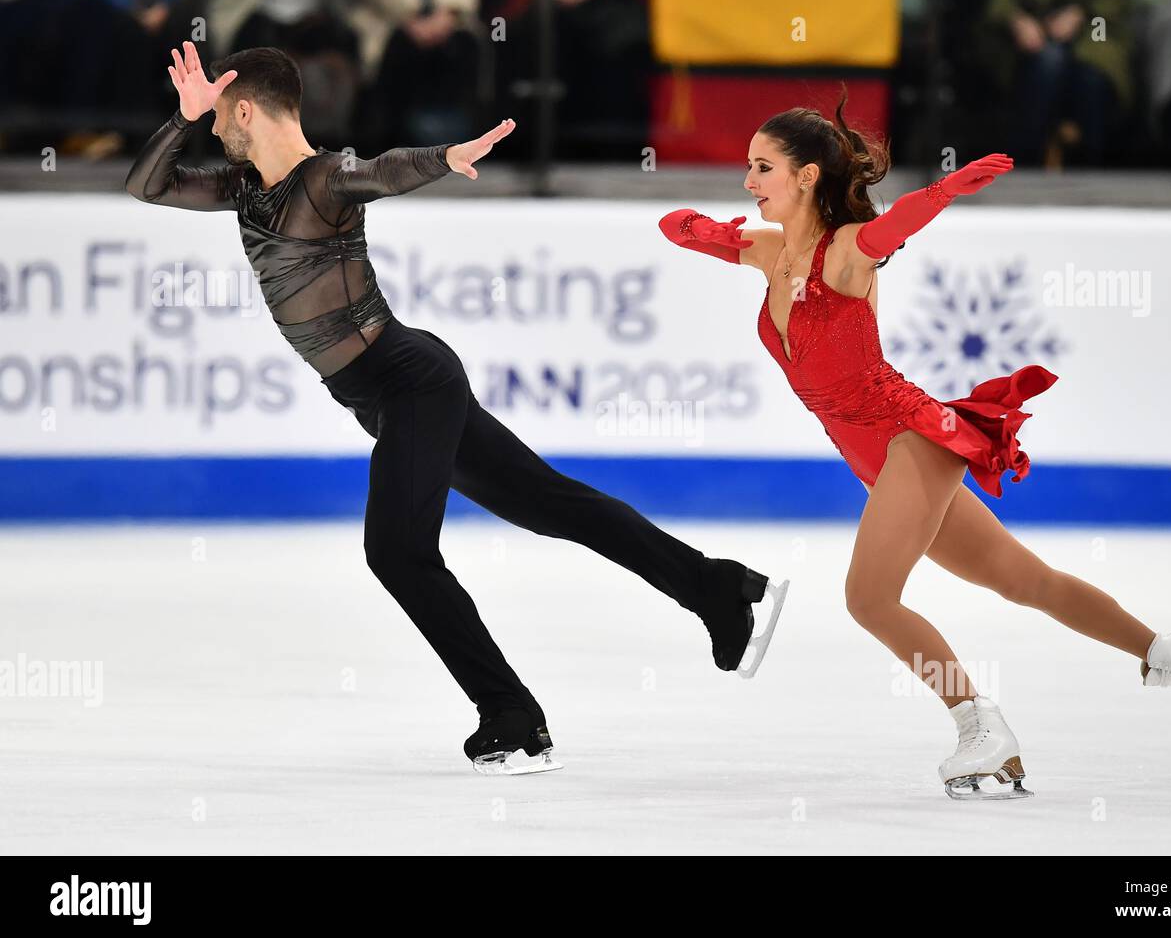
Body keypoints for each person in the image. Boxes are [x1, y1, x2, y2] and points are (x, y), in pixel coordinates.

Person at [125, 41, 788, 775]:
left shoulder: (323, 178)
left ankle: (511, 716)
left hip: (411, 381)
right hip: (387, 392)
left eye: (219, 118)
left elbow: (381, 170)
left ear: (246, 108)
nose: (217, 132)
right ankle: (715, 587)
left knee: (397, 552)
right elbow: (148, 186)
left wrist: (446, 156)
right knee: (551, 504)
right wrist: (183, 120)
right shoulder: (245, 188)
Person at [658, 90, 1171, 799]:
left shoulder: (844, 254)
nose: (749, 183)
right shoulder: (768, 254)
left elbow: (890, 231)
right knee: (1023, 580)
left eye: (762, 168)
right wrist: (715, 232)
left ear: (807, 176)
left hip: (910, 436)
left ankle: (977, 723)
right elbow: (674, 225)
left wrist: (941, 191)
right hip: (876, 459)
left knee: (870, 599)